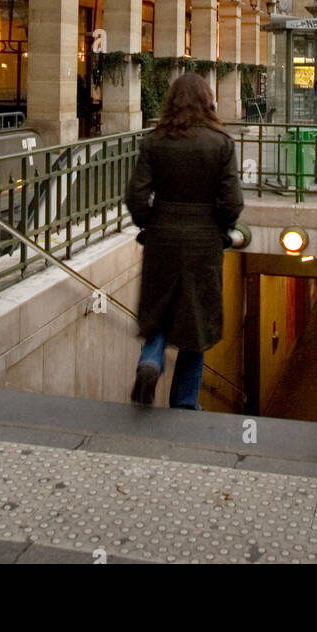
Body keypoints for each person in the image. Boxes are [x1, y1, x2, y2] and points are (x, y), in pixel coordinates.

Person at [125, 72, 243, 409]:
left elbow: (136, 195)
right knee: (197, 322)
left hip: (162, 237)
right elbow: (232, 201)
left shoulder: (155, 141)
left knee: (160, 308)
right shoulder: (220, 143)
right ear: (208, 101)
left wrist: (149, 223)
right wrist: (221, 229)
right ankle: (184, 402)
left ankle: (150, 361)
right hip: (204, 241)